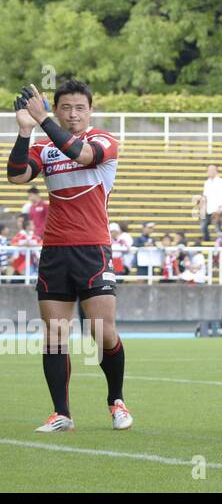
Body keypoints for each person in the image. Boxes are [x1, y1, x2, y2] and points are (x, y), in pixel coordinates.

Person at [8, 79, 131, 433]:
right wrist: (25, 131)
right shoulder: (45, 146)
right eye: (66, 108)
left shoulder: (104, 140)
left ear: (90, 110)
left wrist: (44, 119)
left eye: (79, 108)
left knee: (102, 330)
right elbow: (17, 175)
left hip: (93, 247)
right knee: (54, 334)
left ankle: (117, 401)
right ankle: (62, 413)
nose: (73, 114)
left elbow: (84, 156)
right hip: (55, 251)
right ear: (58, 109)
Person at [200, 164, 222, 243]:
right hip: (208, 209)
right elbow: (205, 196)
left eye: (213, 170)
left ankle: (220, 241)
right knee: (203, 226)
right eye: (209, 170)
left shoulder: (221, 182)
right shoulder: (207, 183)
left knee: (217, 227)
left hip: (217, 208)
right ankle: (206, 240)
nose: (211, 172)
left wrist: (219, 208)